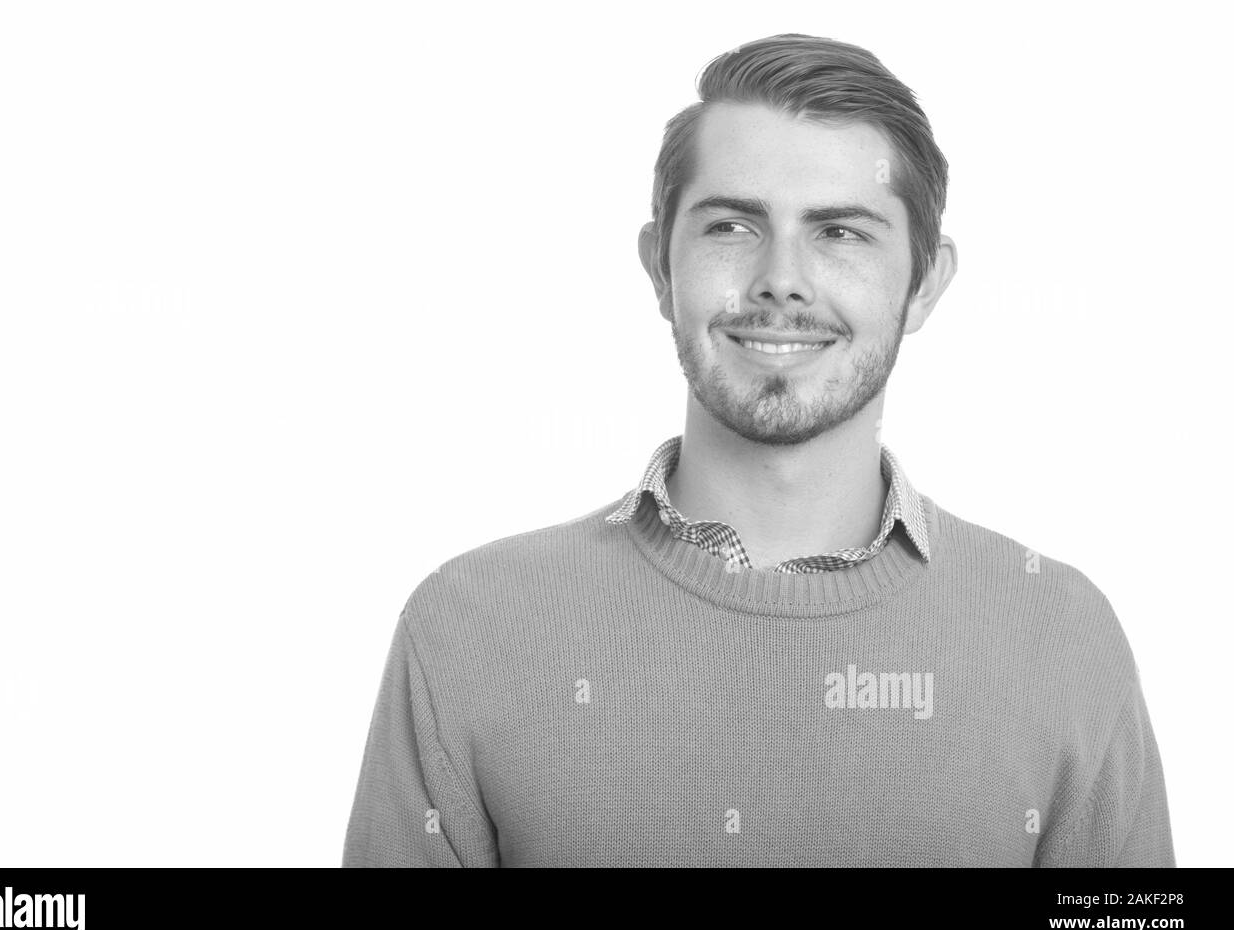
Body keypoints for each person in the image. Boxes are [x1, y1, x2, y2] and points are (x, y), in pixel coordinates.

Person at [341, 33, 1175, 867]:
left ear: (925, 283)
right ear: (659, 270)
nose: (783, 278)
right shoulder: (466, 629)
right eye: (733, 225)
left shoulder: (1061, 638)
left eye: (841, 232)